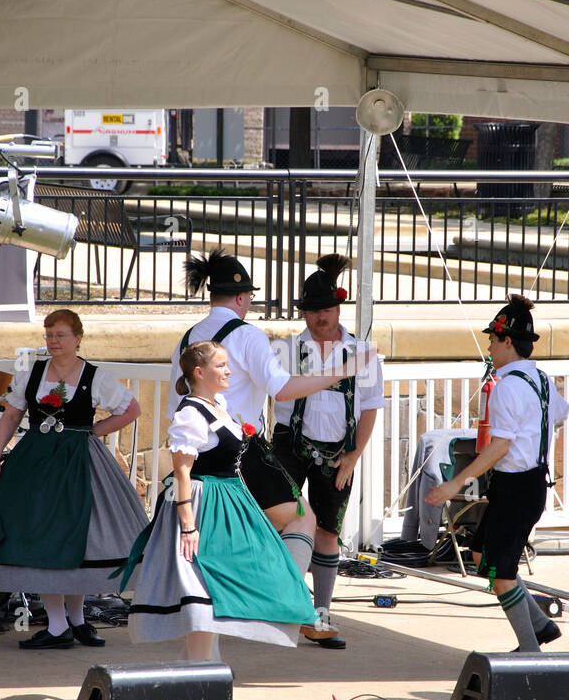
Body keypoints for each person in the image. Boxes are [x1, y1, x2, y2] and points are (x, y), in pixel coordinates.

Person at [167, 250, 373, 606]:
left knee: (228, 534)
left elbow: (178, 399)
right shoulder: (249, 336)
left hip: (192, 451)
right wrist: (342, 371)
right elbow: (282, 389)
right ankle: (286, 598)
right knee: (302, 520)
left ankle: (229, 601)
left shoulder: (188, 340)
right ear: (242, 298)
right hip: (237, 451)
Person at [119, 341, 317, 659]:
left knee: (226, 590)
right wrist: (187, 526)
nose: (228, 370)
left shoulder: (218, 404)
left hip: (229, 502)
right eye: (221, 365)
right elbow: (182, 474)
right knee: (204, 596)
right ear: (200, 372)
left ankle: (203, 677)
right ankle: (201, 682)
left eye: (227, 364)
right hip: (201, 506)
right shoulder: (190, 415)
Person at [0, 309, 148, 649]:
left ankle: (76, 619)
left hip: (78, 463)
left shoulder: (95, 376)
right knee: (44, 536)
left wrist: (93, 431)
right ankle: (58, 625)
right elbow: (12, 414)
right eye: (49, 335)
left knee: (78, 537)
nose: (53, 341)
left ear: (77, 338)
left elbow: (131, 409)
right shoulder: (33, 372)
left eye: (60, 335)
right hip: (37, 464)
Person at [425, 295, 569, 652]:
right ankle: (540, 624)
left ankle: (530, 648)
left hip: (518, 487)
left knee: (500, 574)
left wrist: (456, 482)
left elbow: (498, 447)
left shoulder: (507, 387)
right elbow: (561, 413)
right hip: (527, 482)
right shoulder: (540, 379)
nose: (489, 345)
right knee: (481, 555)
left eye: (493, 339)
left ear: (507, 341)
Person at [270, 255, 383, 650]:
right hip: (288, 445)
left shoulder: (362, 352)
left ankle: (320, 614)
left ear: (339, 309)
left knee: (328, 532)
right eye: (315, 311)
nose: (322, 317)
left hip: (338, 452)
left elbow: (370, 407)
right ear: (303, 313)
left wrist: (354, 456)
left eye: (329, 309)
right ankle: (286, 607)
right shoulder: (284, 351)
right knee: (285, 520)